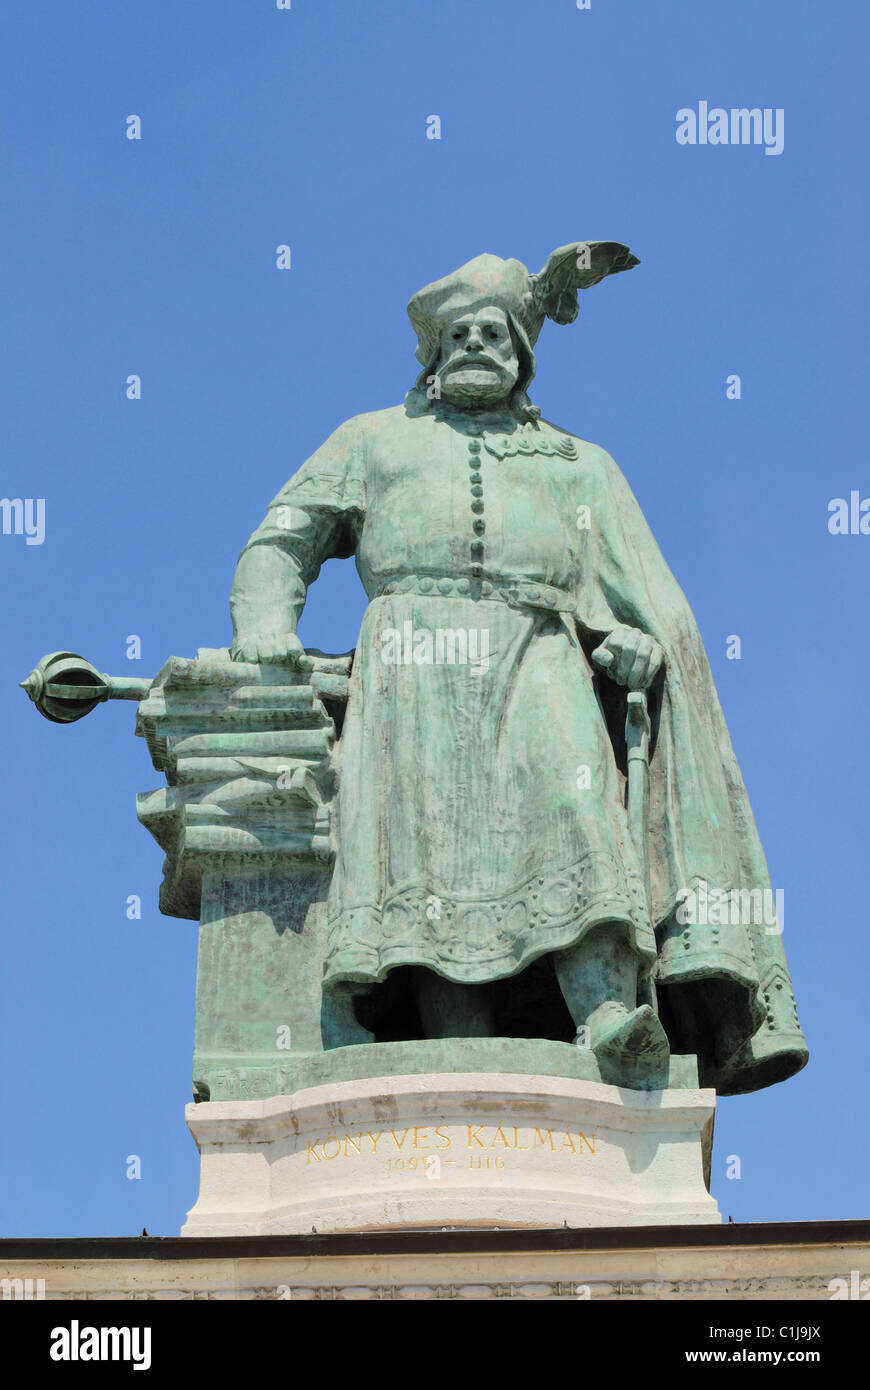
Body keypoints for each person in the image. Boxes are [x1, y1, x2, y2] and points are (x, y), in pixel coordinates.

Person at [229, 244, 808, 1092]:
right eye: (457, 333)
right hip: (409, 669)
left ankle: (609, 1017)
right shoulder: (369, 442)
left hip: (539, 656)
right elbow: (281, 539)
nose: (475, 344)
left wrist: (627, 642)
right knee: (421, 852)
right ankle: (453, 1044)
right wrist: (267, 624)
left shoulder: (581, 463)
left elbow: (636, 597)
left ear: (523, 355)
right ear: (432, 356)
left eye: (494, 332)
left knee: (575, 811)